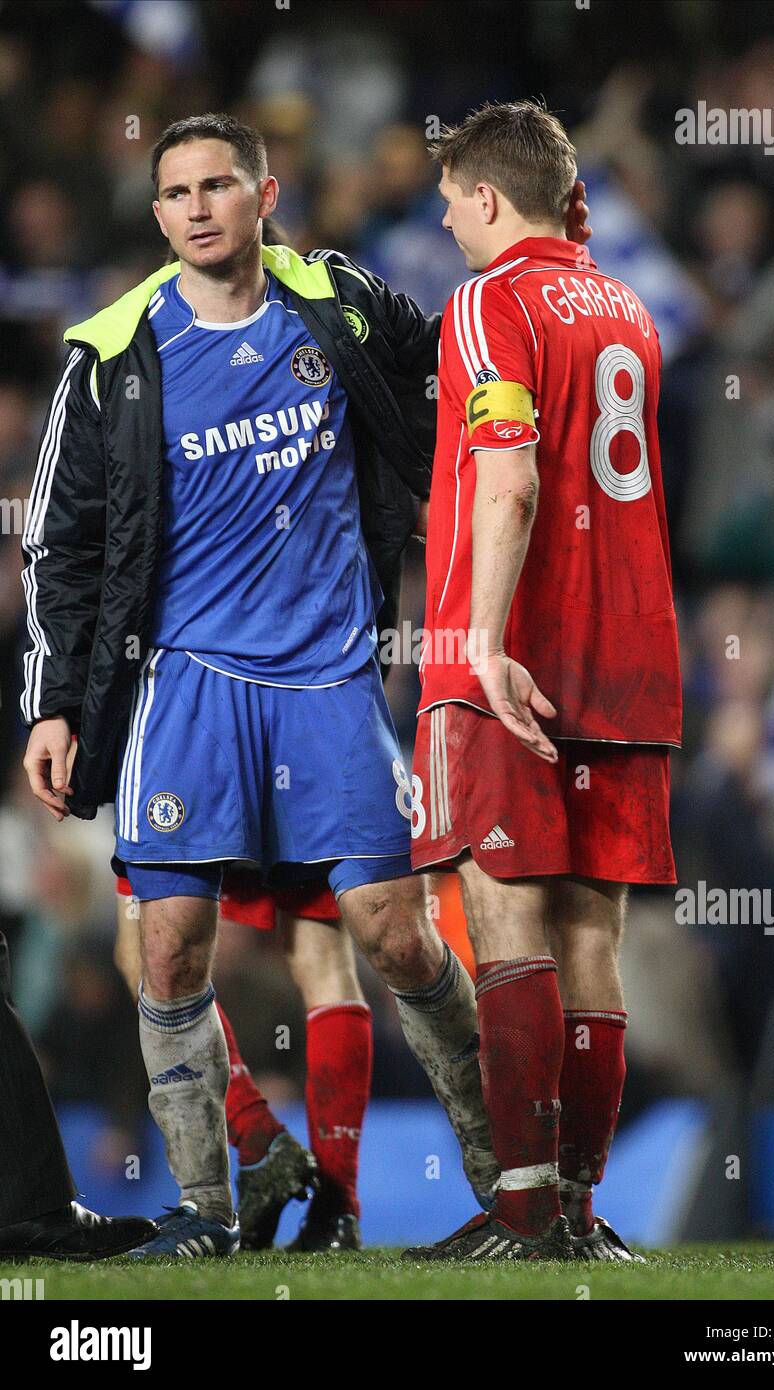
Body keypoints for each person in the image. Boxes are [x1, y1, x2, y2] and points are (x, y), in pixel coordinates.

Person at [20, 112, 499, 1259]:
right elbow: (59, 541)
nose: (196, 207)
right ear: (156, 212)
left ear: (264, 194)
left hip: (330, 681)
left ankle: (510, 1176)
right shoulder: (114, 352)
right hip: (184, 688)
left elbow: (449, 370)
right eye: (175, 191)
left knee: (394, 935)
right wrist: (53, 700)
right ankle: (206, 1206)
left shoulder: (334, 303)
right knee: (171, 947)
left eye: (217, 185)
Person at [406, 101, 682, 1261]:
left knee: (504, 917)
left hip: (515, 651)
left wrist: (475, 641)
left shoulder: (488, 302)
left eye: (447, 202)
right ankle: (577, 1208)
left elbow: (508, 480)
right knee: (591, 938)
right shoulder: (628, 309)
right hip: (631, 656)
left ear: (484, 198)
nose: (443, 222)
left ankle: (521, 1209)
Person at [114, 866, 371, 1252]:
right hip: (300, 808)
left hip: (186, 809)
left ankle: (258, 1140)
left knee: (147, 953)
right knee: (324, 958)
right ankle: (336, 1212)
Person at [0, 929, 157, 1260]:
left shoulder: (127, 1022)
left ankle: (27, 1214)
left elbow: (128, 1081)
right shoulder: (64, 1016)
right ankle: (30, 1215)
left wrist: (124, 1128)